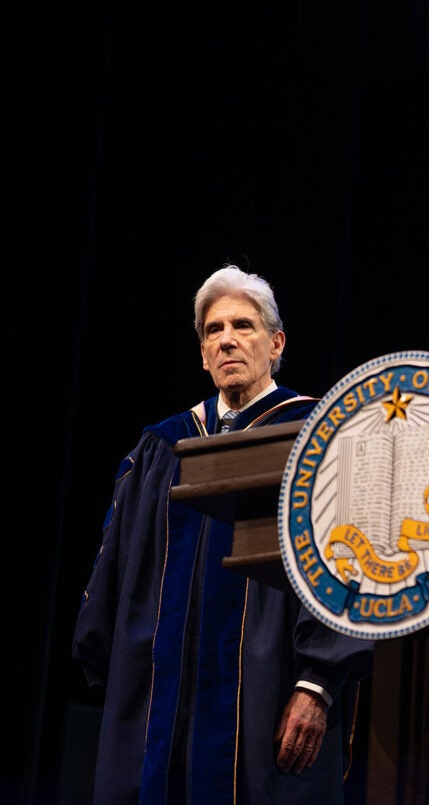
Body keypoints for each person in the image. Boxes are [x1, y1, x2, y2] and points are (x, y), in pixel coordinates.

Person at [71, 264, 374, 804]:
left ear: (276, 343)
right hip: (159, 713)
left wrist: (318, 683)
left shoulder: (316, 437)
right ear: (203, 353)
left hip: (271, 696)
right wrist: (124, 687)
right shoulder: (162, 449)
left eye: (244, 326)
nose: (227, 340)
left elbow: (353, 563)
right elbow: (112, 582)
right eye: (214, 330)